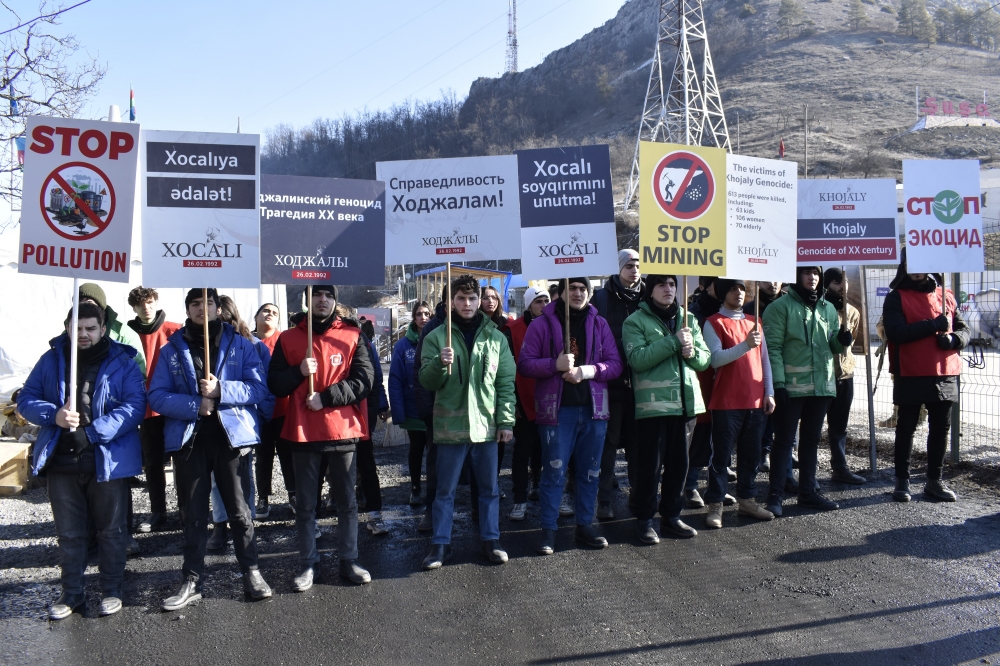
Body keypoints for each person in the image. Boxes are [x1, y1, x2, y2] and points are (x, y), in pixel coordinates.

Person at [20, 303, 146, 619]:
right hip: (61, 463)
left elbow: (134, 406)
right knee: (70, 534)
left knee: (111, 531)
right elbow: (26, 400)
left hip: (107, 461)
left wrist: (92, 433)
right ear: (67, 329)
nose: (84, 335)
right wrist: (55, 415)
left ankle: (111, 590)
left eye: (90, 328)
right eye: (77, 329)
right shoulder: (50, 360)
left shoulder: (123, 361)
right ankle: (72, 594)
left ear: (103, 329)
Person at [149, 288, 272, 610]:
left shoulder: (242, 345)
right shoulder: (170, 350)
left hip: (231, 441)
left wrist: (222, 390)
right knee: (192, 514)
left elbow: (259, 388)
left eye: (208, 303)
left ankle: (252, 571)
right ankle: (191, 580)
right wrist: (194, 404)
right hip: (190, 442)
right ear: (188, 310)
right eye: (195, 304)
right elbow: (157, 395)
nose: (202, 309)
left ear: (219, 308)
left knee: (240, 512)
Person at [267, 285, 374, 590]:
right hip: (303, 435)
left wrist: (326, 397)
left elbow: (365, 381)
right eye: (317, 294)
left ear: (335, 300)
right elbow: (274, 384)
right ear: (307, 300)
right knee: (306, 505)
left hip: (342, 431)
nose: (323, 299)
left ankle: (349, 560)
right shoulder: (287, 339)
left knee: (347, 502)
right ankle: (308, 564)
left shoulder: (353, 335)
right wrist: (299, 371)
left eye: (328, 295)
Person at [518, 277, 622, 555]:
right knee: (553, 473)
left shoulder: (599, 323)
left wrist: (586, 371)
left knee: (590, 473)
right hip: (556, 411)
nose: (578, 293)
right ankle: (548, 530)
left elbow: (615, 365)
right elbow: (525, 364)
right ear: (560, 293)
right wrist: (554, 364)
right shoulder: (542, 323)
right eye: (572, 288)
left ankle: (585, 525)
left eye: (582, 288)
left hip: (594, 410)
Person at [418, 274, 515, 569]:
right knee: (444, 492)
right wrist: (438, 363)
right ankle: (440, 545)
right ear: (449, 303)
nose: (468, 303)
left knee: (489, 490)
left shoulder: (495, 337)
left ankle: (491, 540)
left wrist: (506, 422)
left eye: (472, 298)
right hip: (450, 430)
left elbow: (506, 383)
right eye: (460, 298)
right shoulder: (436, 338)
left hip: (486, 429)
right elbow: (425, 381)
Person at [622, 274, 710, 543]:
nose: (669, 289)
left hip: (685, 405)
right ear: (650, 291)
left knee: (679, 466)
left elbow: (705, 360)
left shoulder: (689, 319)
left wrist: (692, 352)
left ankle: (672, 516)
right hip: (654, 407)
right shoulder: (634, 321)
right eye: (662, 285)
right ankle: (645, 519)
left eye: (672, 284)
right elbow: (637, 359)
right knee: (650, 467)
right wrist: (674, 342)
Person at [763, 266, 852, 516]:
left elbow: (831, 344)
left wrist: (841, 341)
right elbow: (773, 349)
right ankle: (775, 497)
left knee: (811, 442)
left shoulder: (827, 309)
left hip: (821, 386)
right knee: (783, 442)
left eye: (815, 273)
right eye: (806, 273)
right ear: (796, 276)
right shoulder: (779, 308)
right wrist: (778, 384)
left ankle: (808, 493)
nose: (812, 278)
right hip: (791, 388)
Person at [883, 255, 969, 502]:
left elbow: (963, 329)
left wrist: (954, 340)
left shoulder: (947, 295)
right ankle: (902, 481)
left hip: (945, 371)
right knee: (906, 428)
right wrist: (933, 325)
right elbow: (895, 332)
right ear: (904, 267)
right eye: (912, 264)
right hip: (911, 371)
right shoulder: (896, 297)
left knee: (940, 429)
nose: (917, 270)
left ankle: (934, 481)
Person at [701, 279, 776, 528]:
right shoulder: (713, 323)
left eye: (742, 289)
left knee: (750, 454)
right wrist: (745, 345)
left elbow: (764, 360)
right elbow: (715, 359)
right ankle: (716, 504)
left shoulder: (755, 321)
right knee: (721, 456)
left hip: (755, 399)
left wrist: (769, 391)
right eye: (733, 289)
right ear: (723, 293)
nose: (739, 293)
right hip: (726, 401)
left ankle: (747, 499)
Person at [205, 296, 271, 550]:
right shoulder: (203, 346)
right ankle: (220, 523)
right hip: (213, 422)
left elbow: (264, 387)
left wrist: (261, 417)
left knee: (244, 475)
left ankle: (247, 521)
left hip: (243, 422)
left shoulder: (252, 346)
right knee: (215, 478)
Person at [590, 249, 644, 520]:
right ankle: (605, 500)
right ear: (619, 268)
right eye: (629, 266)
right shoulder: (601, 297)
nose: (634, 270)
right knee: (608, 443)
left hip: (643, 382)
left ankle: (638, 496)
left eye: (638, 265)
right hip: (611, 381)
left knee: (638, 443)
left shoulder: (648, 294)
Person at [126, 286, 182, 534]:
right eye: (141, 304)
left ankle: (186, 508)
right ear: (134, 308)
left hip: (172, 404)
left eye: (149, 302)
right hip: (144, 408)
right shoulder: (127, 334)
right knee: (153, 462)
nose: (146, 308)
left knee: (182, 458)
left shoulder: (174, 329)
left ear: (156, 302)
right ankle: (158, 511)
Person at [505, 286, 549, 520]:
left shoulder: (558, 325)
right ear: (529, 304)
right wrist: (513, 403)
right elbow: (507, 368)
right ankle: (519, 499)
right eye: (538, 301)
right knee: (522, 453)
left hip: (550, 398)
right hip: (523, 399)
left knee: (548, 451)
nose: (543, 305)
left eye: (546, 300)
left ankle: (543, 488)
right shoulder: (512, 330)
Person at [822, 269, 867, 486]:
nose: (842, 286)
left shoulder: (853, 312)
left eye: (845, 281)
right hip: (821, 374)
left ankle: (840, 467)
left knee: (839, 425)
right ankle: (804, 474)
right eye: (837, 281)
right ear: (827, 283)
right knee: (811, 426)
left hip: (845, 374)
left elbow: (852, 342)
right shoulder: (818, 307)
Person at [252, 303, 295, 518]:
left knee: (288, 454)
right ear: (256, 316)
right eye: (265, 311)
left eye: (275, 313)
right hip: (258, 410)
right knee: (263, 456)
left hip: (284, 407)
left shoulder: (284, 340)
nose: (269, 314)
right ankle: (263, 498)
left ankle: (293, 495)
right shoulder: (247, 342)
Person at [389, 301, 432, 506]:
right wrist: (398, 412)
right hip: (414, 407)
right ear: (414, 318)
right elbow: (395, 379)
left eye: (427, 314)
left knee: (436, 452)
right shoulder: (403, 345)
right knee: (416, 449)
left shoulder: (440, 338)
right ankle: (415, 488)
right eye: (419, 314)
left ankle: (435, 489)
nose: (423, 317)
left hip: (435, 406)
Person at [685, 276, 722, 509]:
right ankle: (689, 486)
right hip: (702, 381)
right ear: (705, 287)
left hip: (725, 382)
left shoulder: (733, 314)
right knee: (698, 434)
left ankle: (715, 487)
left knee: (719, 437)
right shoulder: (693, 315)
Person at [744, 281, 784, 472]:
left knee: (787, 414)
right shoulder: (750, 309)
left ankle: (786, 449)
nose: (773, 283)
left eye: (777, 278)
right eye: (768, 279)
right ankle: (763, 451)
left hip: (787, 366)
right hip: (761, 368)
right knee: (765, 414)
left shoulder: (788, 303)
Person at [356, 315, 390, 535]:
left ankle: (374, 513)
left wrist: (380, 405)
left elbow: (376, 376)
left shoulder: (363, 342)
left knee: (365, 461)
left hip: (361, 412)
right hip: (328, 415)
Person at [78, 282, 146, 375]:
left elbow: (137, 374)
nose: (84, 307)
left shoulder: (124, 333)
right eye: (80, 303)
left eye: (89, 302)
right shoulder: (68, 333)